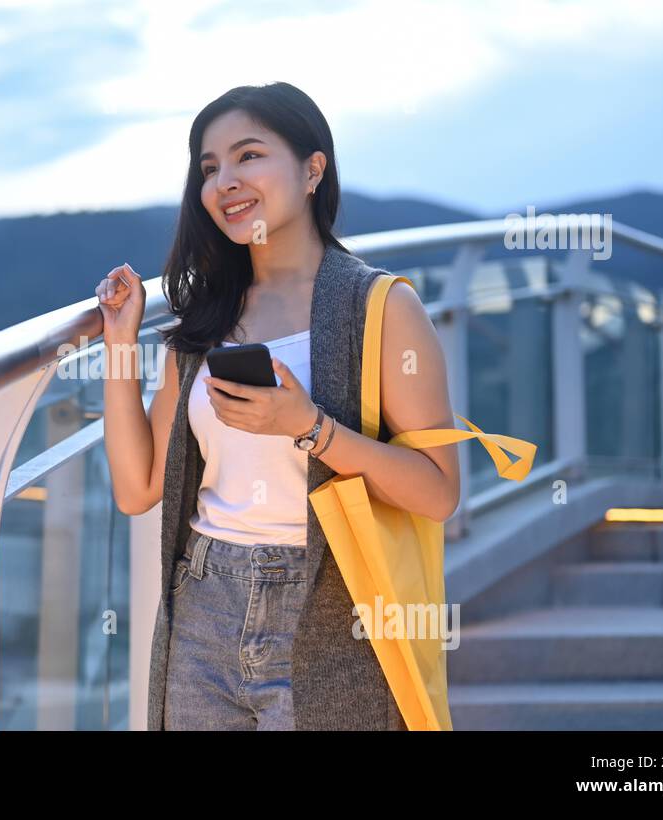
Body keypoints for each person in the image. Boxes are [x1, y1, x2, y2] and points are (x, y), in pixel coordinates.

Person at [96, 82, 460, 730]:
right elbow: (137, 488)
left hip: (333, 600)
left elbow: (437, 493)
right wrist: (121, 345)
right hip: (203, 601)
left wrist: (312, 428)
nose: (224, 182)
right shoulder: (208, 315)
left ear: (313, 168)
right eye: (209, 168)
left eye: (249, 155)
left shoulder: (382, 309)